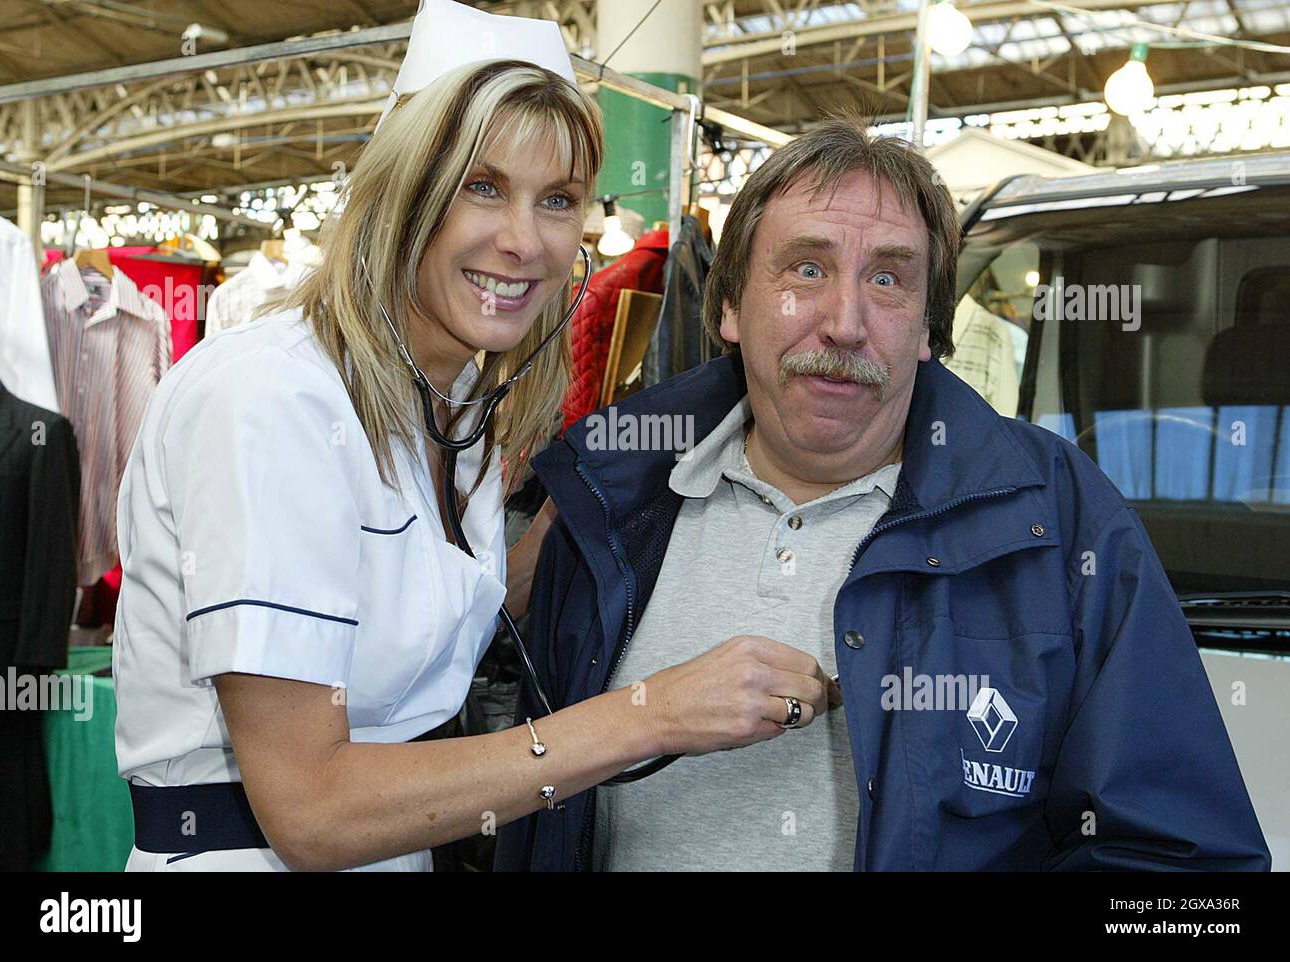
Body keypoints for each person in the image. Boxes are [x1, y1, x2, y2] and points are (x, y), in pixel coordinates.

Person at [112, 3, 838, 873]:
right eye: (481, 186)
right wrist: (654, 711)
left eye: (559, 200)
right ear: (402, 189)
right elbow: (311, 811)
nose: (523, 241)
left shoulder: (453, 409)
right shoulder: (271, 399)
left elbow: (419, 608)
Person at [497, 118, 1272, 872]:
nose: (845, 323)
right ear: (730, 306)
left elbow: (1184, 867)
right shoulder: (613, 503)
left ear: (931, 330)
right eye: (807, 268)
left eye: (889, 278)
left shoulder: (1060, 522)